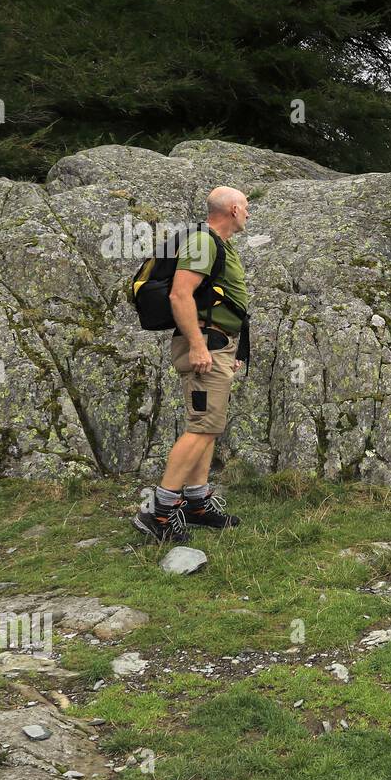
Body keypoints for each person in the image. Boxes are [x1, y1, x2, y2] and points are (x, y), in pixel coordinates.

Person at [134, 186, 250, 542]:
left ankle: (196, 502)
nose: (248, 213)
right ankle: (160, 512)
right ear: (232, 209)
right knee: (201, 425)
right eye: (246, 207)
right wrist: (200, 346)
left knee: (210, 425)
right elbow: (179, 294)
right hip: (205, 344)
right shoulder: (204, 242)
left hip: (218, 345)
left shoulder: (218, 244)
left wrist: (235, 352)